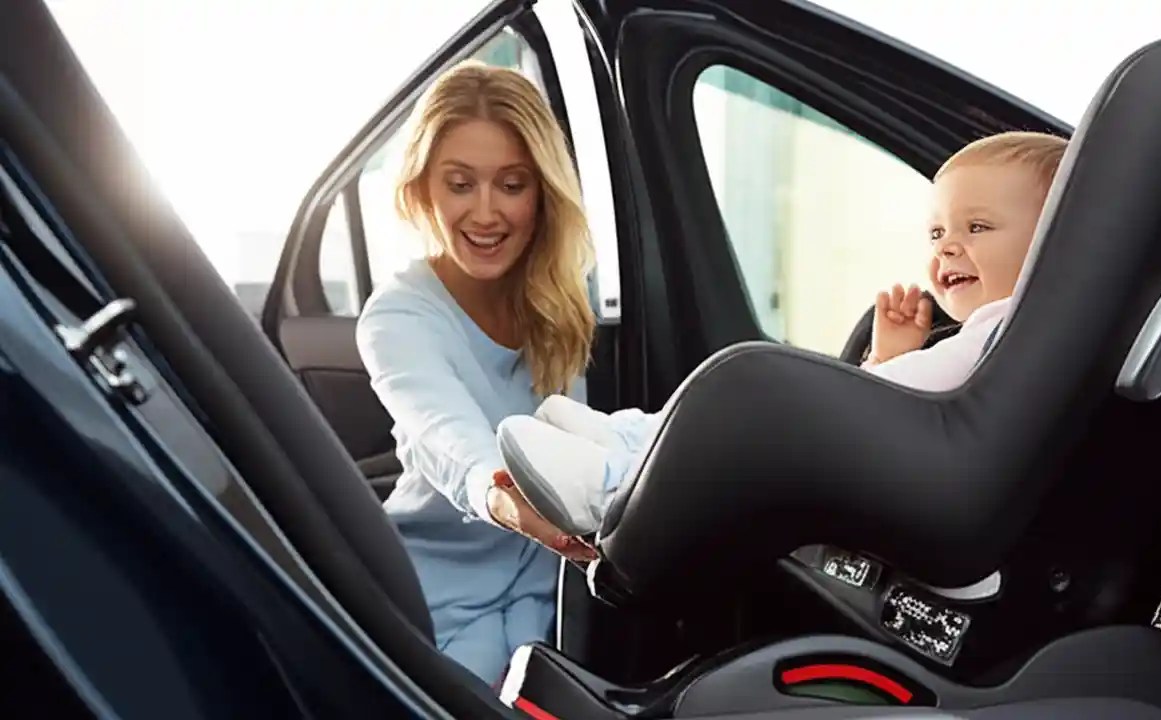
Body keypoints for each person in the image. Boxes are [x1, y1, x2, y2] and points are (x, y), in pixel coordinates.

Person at [495, 130, 1071, 537]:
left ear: (1055, 238)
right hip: (903, 472)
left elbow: (904, 399)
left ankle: (617, 484)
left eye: (978, 226)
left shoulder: (1005, 325)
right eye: (937, 231)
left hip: (907, 486)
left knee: (748, 390)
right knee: (738, 401)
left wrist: (878, 373)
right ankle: (631, 445)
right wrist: (892, 358)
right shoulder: (1006, 331)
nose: (946, 246)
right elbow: (919, 392)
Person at [355, 60, 605, 686]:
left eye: (512, 184)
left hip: (547, 588)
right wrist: (503, 495)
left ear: (542, 191)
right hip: (434, 598)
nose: (486, 213)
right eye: (461, 184)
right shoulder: (397, 317)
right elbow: (447, 438)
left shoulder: (564, 296)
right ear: (422, 190)